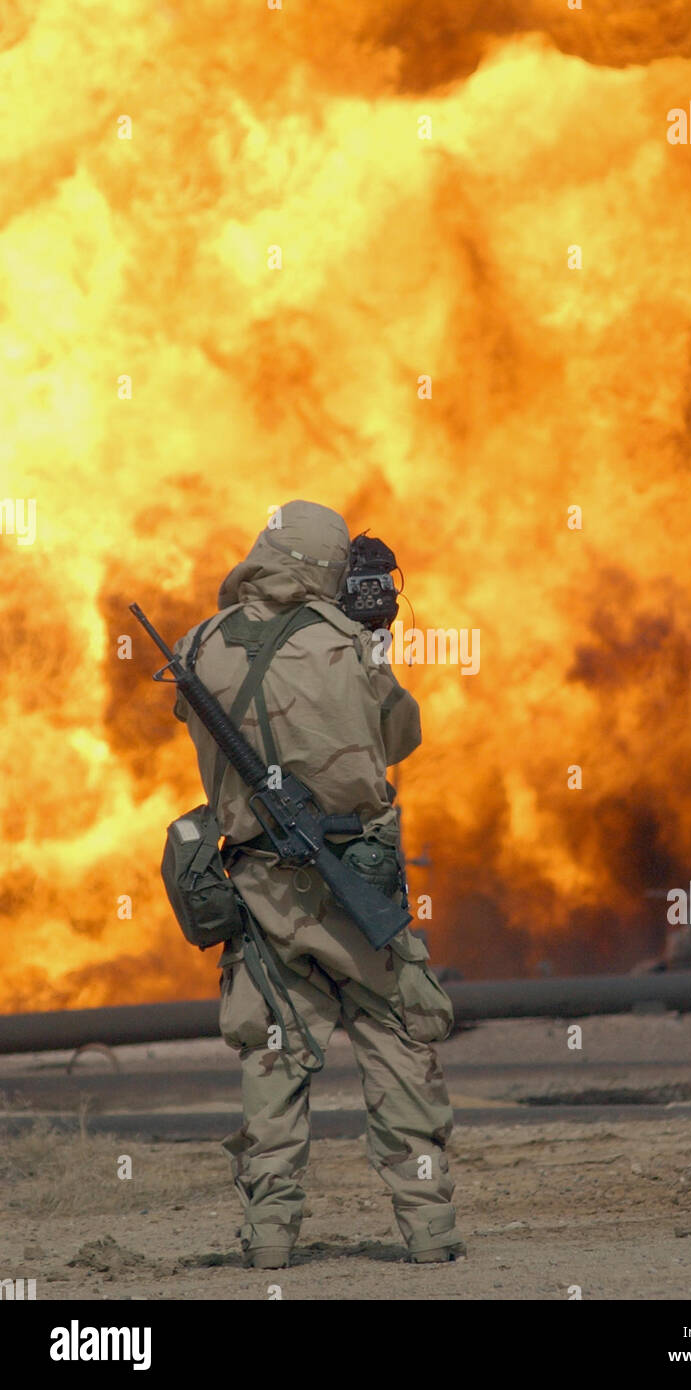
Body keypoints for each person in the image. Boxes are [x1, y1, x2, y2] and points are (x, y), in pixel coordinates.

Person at [172, 500, 465, 1269]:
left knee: (272, 1058)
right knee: (397, 1038)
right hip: (352, 885)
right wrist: (373, 640)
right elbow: (398, 737)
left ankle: (269, 1238)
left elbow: (196, 723)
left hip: (258, 886)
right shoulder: (349, 644)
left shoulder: (198, 645)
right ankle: (429, 1231)